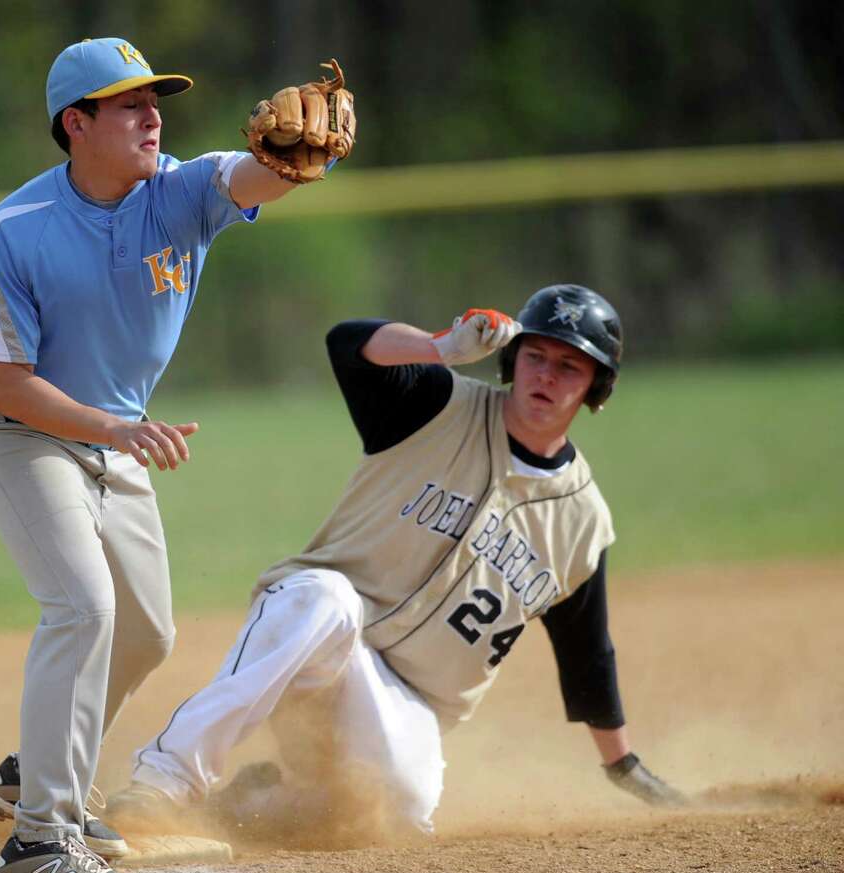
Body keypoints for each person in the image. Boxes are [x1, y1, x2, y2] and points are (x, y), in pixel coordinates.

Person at [60, 284, 684, 841]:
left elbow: (587, 654)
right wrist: (440, 346)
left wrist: (623, 766)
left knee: (396, 817)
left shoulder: (581, 521)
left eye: (570, 366)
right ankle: (162, 784)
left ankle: (260, 798)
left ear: (596, 387)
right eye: (536, 356)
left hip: (406, 705)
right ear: (511, 360)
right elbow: (347, 345)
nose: (546, 376)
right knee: (325, 598)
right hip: (318, 640)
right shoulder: (437, 405)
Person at [0, 36, 334, 873]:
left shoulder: (180, 194)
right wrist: (117, 430)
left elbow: (255, 176)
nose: (152, 116)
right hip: (23, 437)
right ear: (76, 121)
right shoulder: (15, 230)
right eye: (130, 103)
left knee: (149, 631)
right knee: (85, 607)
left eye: (155, 100)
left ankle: (33, 768)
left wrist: (296, 158)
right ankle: (40, 836)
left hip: (115, 438)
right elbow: (10, 387)